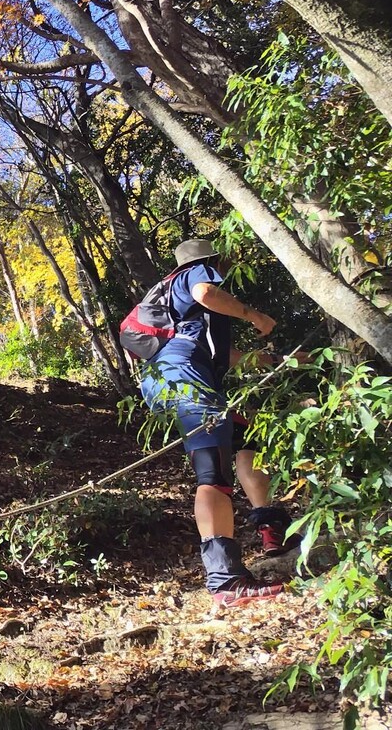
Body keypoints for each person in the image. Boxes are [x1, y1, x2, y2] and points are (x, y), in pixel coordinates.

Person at [138, 238, 293, 607]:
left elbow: (228, 356)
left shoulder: (177, 312)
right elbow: (207, 292)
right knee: (213, 474)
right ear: (214, 260)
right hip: (186, 380)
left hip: (174, 379)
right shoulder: (195, 274)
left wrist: (280, 359)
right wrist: (253, 315)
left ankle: (272, 531)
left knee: (245, 436)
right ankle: (225, 581)